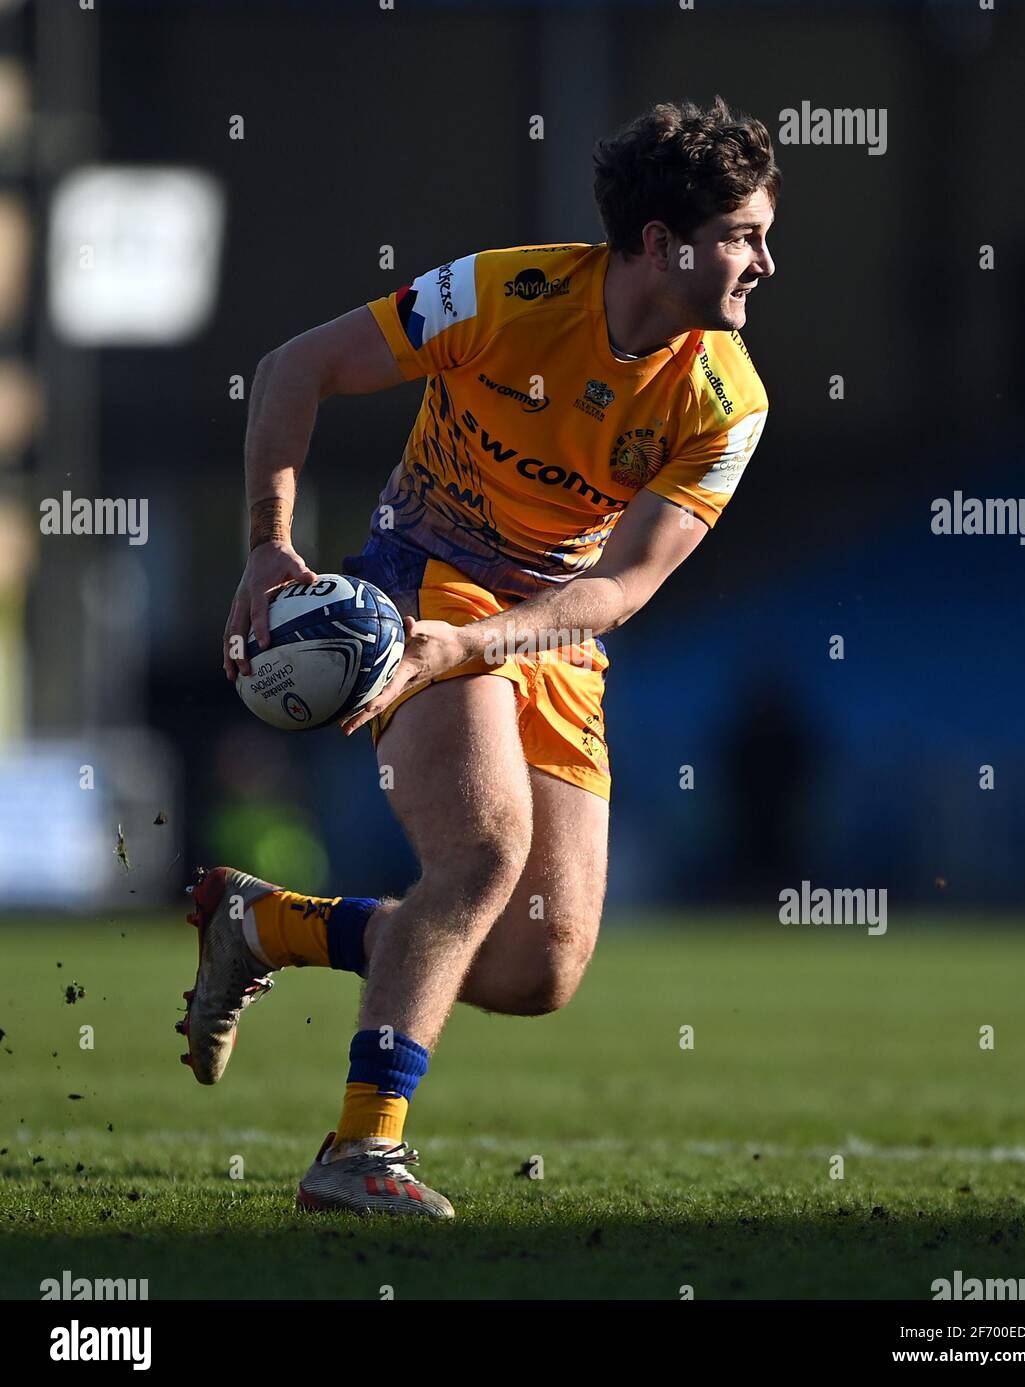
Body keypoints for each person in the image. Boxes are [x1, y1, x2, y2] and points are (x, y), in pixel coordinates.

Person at [178, 95, 779, 1220]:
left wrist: (488, 641)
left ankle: (262, 925)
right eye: (745, 234)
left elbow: (621, 587)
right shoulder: (505, 293)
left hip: (548, 625)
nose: (766, 261)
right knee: (482, 856)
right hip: (424, 578)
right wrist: (267, 548)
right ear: (662, 243)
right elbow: (291, 369)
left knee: (534, 969)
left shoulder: (728, 400)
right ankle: (360, 1155)